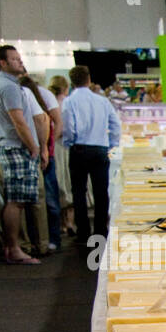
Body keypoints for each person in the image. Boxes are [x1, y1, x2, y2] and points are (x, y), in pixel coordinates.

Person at [0, 46, 43, 265]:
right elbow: (18, 121)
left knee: (17, 200)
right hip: (15, 147)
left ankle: (13, 247)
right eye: (14, 59)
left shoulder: (5, 86)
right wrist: (34, 145)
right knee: (16, 201)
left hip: (10, 146)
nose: (20, 62)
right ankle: (13, 248)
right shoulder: (9, 88)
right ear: (3, 63)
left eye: (20, 58)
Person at [61, 64, 120, 252]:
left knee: (79, 191)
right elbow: (115, 124)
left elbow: (68, 126)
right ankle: (101, 231)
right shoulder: (102, 101)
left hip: (79, 149)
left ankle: (83, 232)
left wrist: (70, 142)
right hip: (100, 149)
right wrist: (111, 143)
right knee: (101, 191)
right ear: (89, 79)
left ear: (72, 81)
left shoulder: (69, 102)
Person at [19, 76, 56, 253]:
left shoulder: (21, 96)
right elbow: (44, 121)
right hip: (38, 153)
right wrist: (44, 149)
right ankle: (45, 242)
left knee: (22, 202)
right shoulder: (35, 98)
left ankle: (26, 244)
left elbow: (43, 121)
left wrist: (41, 148)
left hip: (25, 152)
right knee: (41, 199)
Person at [48, 75, 76, 237]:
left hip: (54, 149)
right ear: (66, 88)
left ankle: (61, 224)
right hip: (66, 148)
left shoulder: (48, 104)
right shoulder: (67, 104)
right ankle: (70, 222)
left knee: (57, 185)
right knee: (69, 184)